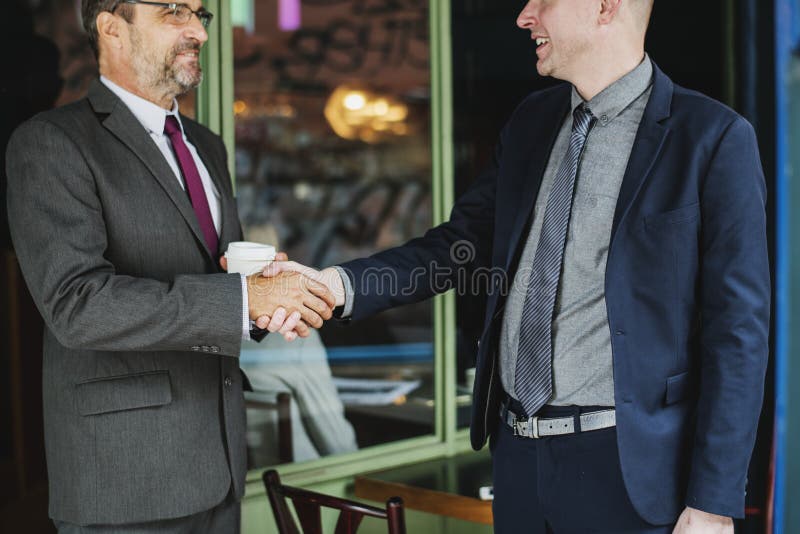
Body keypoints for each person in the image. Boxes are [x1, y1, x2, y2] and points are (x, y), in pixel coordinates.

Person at [265, 0, 770, 532]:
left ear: (604, 7)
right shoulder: (531, 121)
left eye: (543, 1)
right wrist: (335, 286)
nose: (525, 16)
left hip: (632, 472)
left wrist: (712, 501)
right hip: (518, 461)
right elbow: (457, 246)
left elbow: (737, 333)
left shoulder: (712, 138)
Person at [5, 0, 335, 532]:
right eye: (174, 11)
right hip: (126, 483)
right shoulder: (51, 143)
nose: (199, 32)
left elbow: (221, 288)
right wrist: (245, 299)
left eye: (200, 16)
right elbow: (76, 305)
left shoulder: (207, 145)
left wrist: (263, 304)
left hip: (223, 467)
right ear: (112, 27)